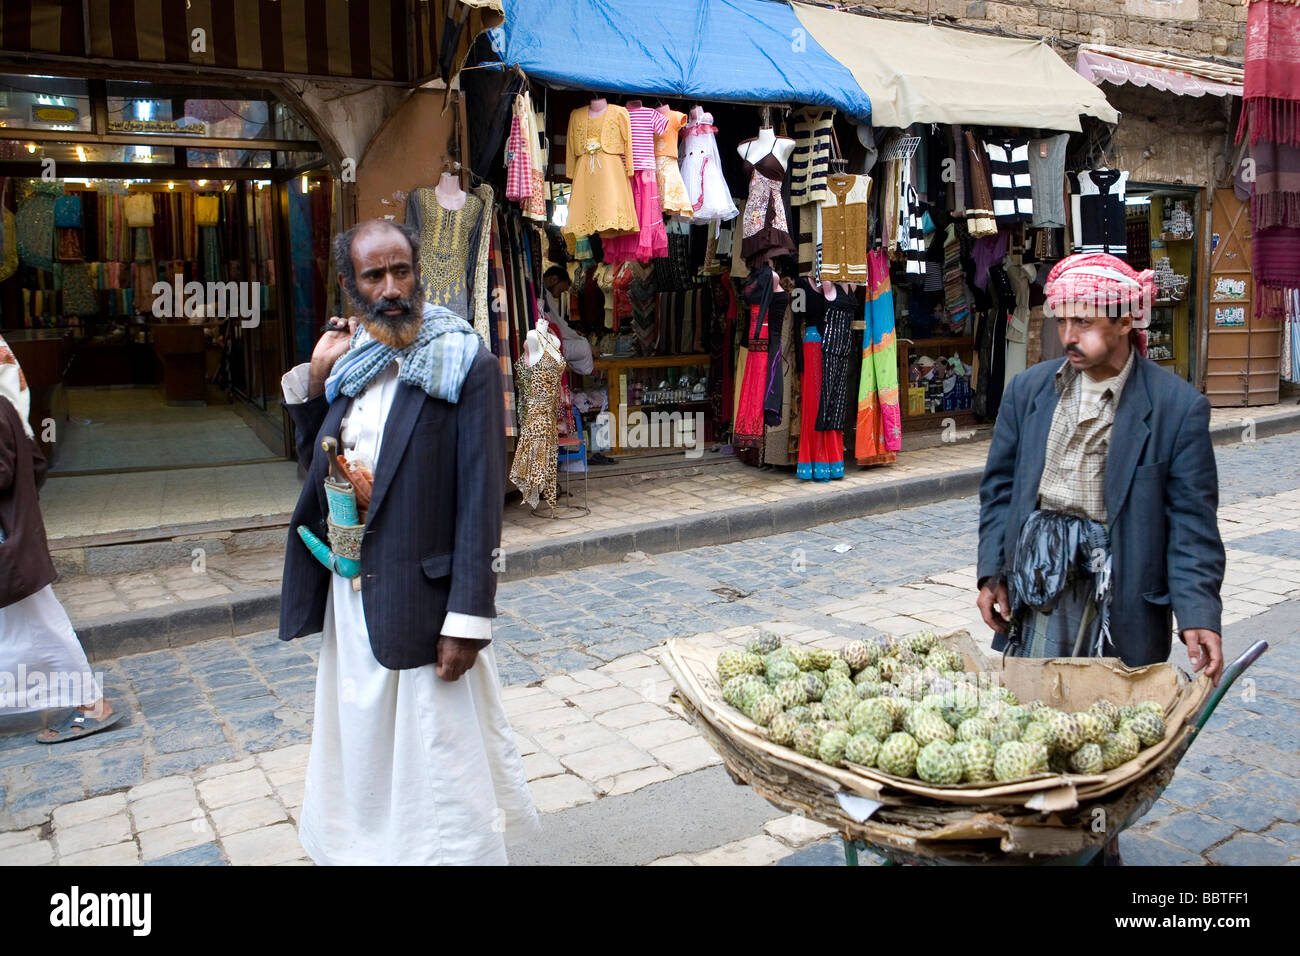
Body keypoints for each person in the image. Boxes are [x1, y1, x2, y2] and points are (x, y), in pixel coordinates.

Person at [278, 219, 539, 865]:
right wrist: (315, 379)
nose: (392, 288)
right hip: (356, 598)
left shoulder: (466, 362)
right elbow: (320, 465)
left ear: (419, 273)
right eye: (375, 275)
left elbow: (481, 502)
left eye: (402, 271)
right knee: (362, 753)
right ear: (351, 286)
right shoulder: (352, 364)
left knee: (438, 764)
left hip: (427, 606)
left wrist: (468, 621)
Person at [977, 253, 1225, 685]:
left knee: (1106, 724)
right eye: (1062, 322)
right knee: (1029, 712)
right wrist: (993, 573)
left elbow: (1191, 525)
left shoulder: (1177, 409)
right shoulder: (1027, 391)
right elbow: (1000, 490)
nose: (1068, 337)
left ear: (1126, 321)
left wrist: (1198, 612)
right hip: (1036, 592)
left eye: (1085, 324)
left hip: (1120, 601)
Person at [0, 334, 121, 742]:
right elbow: (33, 464)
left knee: (39, 621)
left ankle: (92, 703)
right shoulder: (8, 406)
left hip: (8, 548)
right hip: (12, 543)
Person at [541, 265, 595, 376]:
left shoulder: (544, 294)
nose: (559, 294)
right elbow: (560, 327)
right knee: (583, 347)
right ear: (554, 279)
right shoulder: (546, 295)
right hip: (545, 346)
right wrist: (585, 343)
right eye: (561, 290)